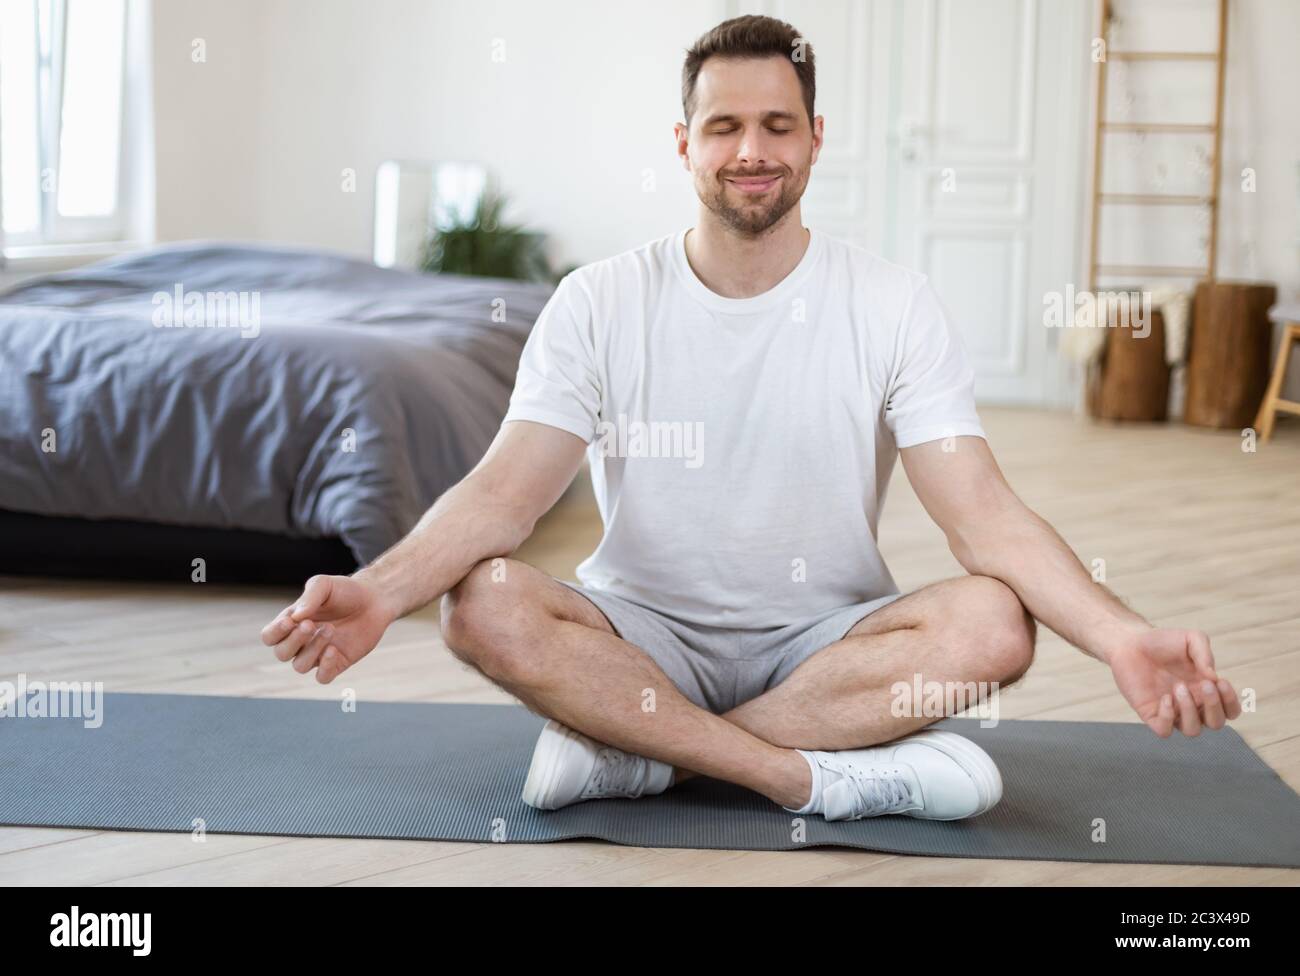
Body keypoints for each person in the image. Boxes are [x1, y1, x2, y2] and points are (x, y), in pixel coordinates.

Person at [260, 14, 1241, 823]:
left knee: (992, 622)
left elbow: (981, 516)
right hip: (639, 632)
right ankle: (800, 773)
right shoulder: (598, 299)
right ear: (684, 144)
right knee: (483, 604)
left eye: (778, 125)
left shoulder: (892, 302)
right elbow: (504, 497)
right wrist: (381, 591)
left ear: (817, 138)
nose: (751, 152)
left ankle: (646, 754)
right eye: (724, 127)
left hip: (826, 640)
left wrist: (1119, 636)